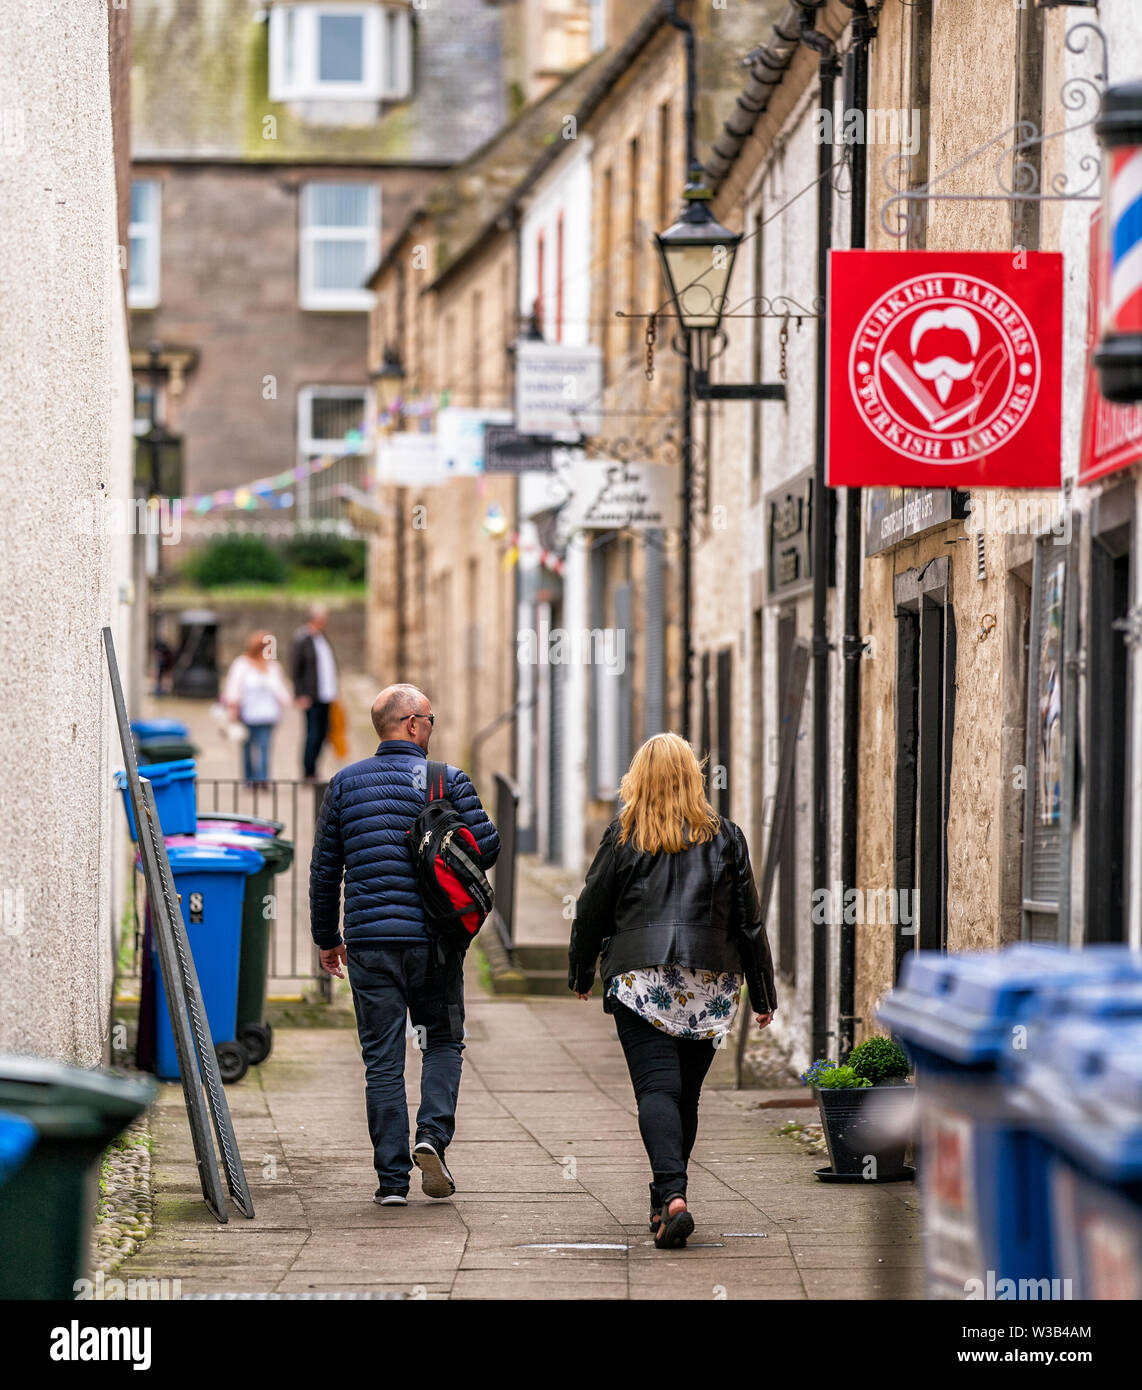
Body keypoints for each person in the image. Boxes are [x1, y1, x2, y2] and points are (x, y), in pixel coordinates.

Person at [568, 732, 777, 1250]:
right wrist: (764, 994)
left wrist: (580, 971)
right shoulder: (726, 836)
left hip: (643, 981)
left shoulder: (624, 836)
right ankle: (667, 1198)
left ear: (638, 779)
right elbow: (749, 923)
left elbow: (591, 909)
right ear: (694, 777)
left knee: (657, 1090)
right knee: (686, 1094)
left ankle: (673, 1195)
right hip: (709, 985)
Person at [309, 683, 499, 1206]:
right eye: (431, 720)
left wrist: (328, 938)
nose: (432, 729)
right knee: (441, 1041)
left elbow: (326, 870)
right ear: (413, 724)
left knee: (382, 1059)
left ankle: (392, 1182)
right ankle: (431, 1136)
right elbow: (488, 847)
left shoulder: (345, 785)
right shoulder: (446, 780)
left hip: (369, 941)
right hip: (436, 941)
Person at [221, 630, 291, 786]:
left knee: (264, 748)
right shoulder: (242, 665)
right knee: (247, 748)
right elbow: (233, 689)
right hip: (247, 715)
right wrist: (233, 708)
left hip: (268, 716)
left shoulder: (273, 667)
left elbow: (282, 693)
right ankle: (249, 779)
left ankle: (262, 779)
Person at [291, 603, 339, 781]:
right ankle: (308, 771)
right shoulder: (302, 639)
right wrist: (299, 694)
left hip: (326, 694)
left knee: (323, 733)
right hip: (311, 696)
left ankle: (315, 768)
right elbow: (296, 669)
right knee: (312, 734)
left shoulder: (321, 637)